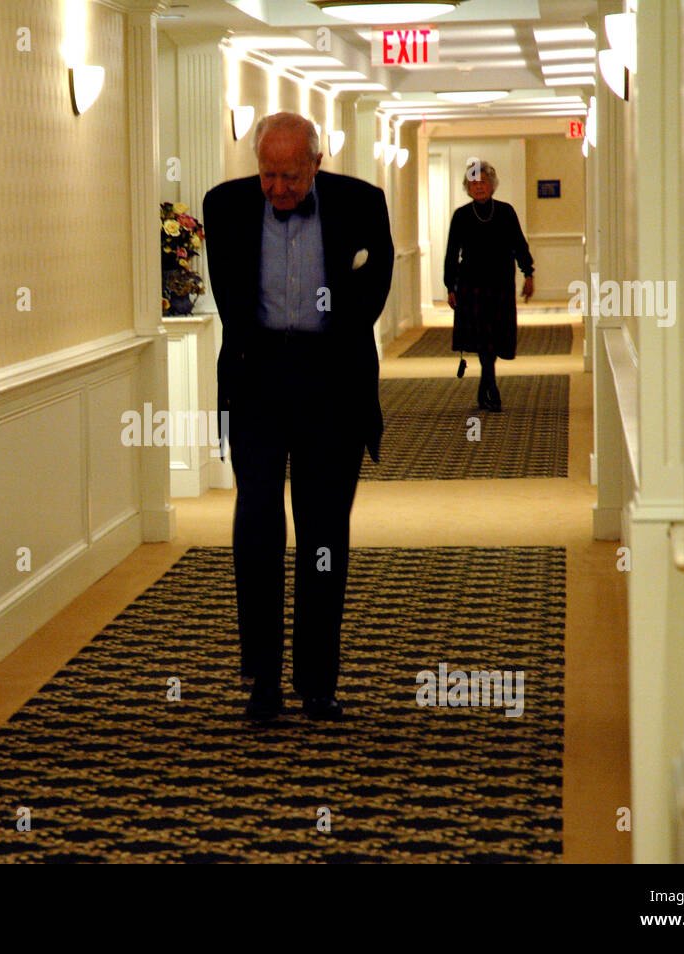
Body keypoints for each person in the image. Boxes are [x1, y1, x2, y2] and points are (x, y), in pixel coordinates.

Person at [202, 112, 392, 722]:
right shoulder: (225, 206)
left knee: (322, 535)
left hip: (330, 385)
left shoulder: (363, 203)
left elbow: (374, 287)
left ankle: (318, 682)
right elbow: (230, 298)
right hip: (257, 384)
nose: (278, 188)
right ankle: (262, 681)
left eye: (290, 175)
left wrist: (329, 336)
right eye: (268, 174)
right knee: (256, 527)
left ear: (316, 163)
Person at [444, 160, 534, 411]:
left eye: (482, 182)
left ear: (492, 185)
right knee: (482, 336)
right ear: (467, 188)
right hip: (471, 283)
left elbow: (519, 245)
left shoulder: (505, 212)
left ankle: (487, 381)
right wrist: (450, 286)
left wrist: (528, 273)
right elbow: (452, 252)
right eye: (473, 183)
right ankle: (490, 383)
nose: (478, 187)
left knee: (495, 335)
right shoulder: (461, 216)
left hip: (500, 282)